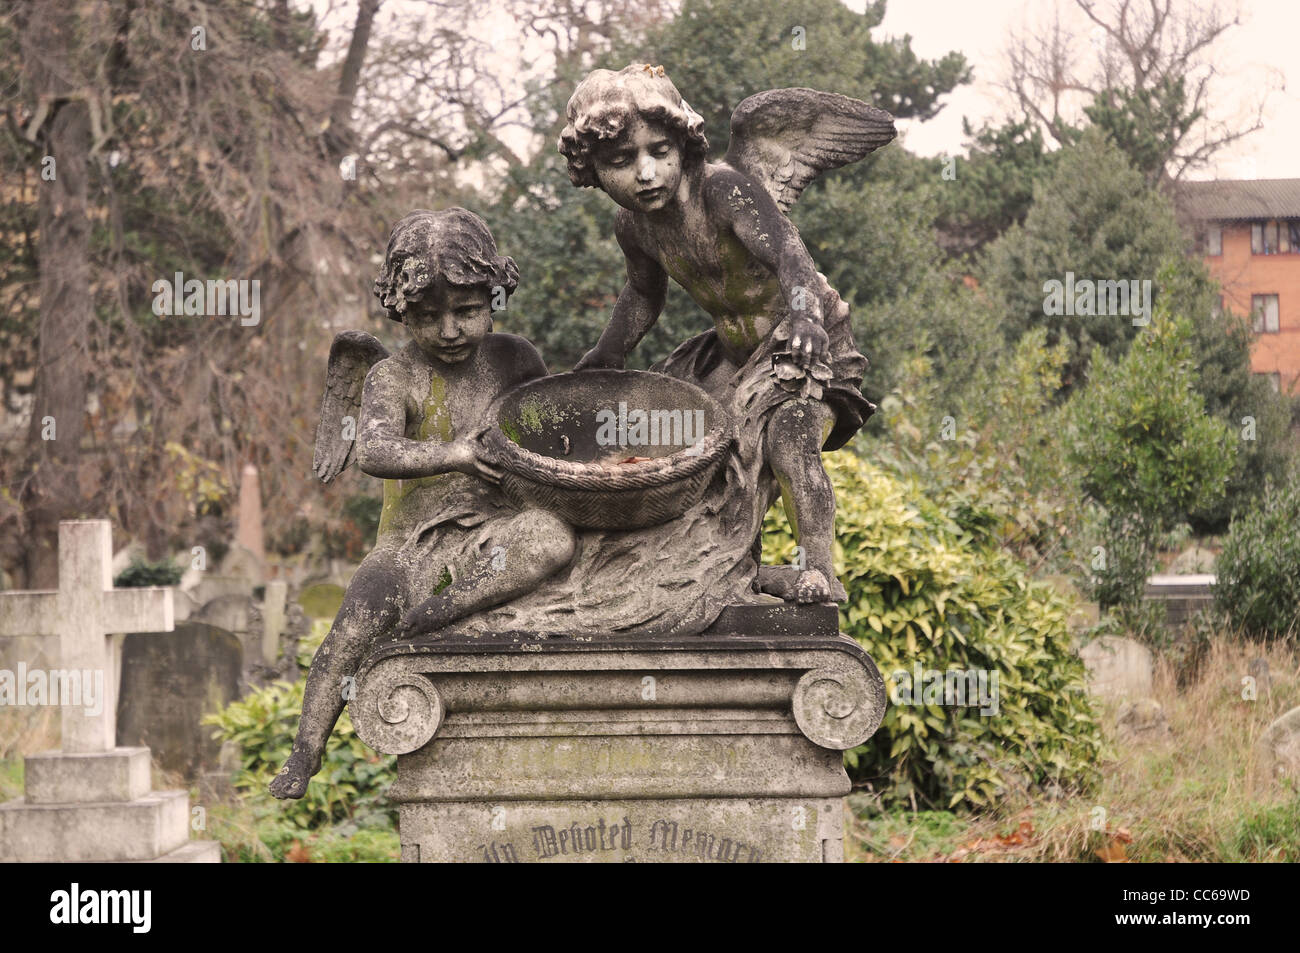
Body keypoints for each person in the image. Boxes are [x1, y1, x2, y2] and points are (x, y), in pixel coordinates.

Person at [270, 208, 575, 799]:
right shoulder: (393, 374)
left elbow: (549, 429)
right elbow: (374, 451)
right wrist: (457, 453)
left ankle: (433, 616)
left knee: (552, 538)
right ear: (400, 311)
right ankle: (304, 754)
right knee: (350, 630)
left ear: (494, 296)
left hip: (497, 527)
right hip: (411, 543)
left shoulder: (516, 359)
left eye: (466, 312)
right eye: (427, 317)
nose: (451, 331)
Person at [560, 64, 879, 604]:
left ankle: (819, 571)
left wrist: (805, 317)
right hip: (731, 358)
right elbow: (643, 295)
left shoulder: (726, 192)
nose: (646, 173)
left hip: (806, 345)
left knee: (790, 439)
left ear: (683, 145)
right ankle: (729, 571)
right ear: (592, 169)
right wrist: (605, 353)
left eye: (659, 152)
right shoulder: (633, 227)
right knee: (684, 454)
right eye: (621, 161)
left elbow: (790, 256)